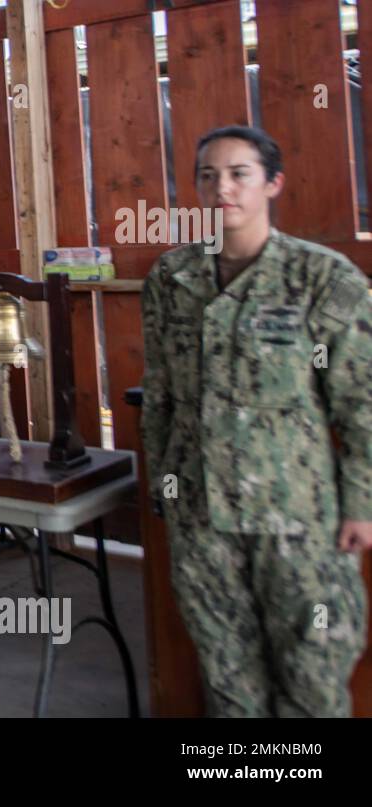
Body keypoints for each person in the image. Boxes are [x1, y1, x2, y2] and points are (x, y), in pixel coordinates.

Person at [140, 125, 372, 716]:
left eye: (239, 173)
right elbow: (161, 397)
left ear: (272, 183)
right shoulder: (173, 279)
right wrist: (164, 489)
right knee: (227, 678)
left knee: (314, 676)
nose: (224, 188)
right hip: (202, 518)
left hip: (298, 521)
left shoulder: (323, 279)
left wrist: (361, 505)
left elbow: (362, 402)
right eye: (208, 175)